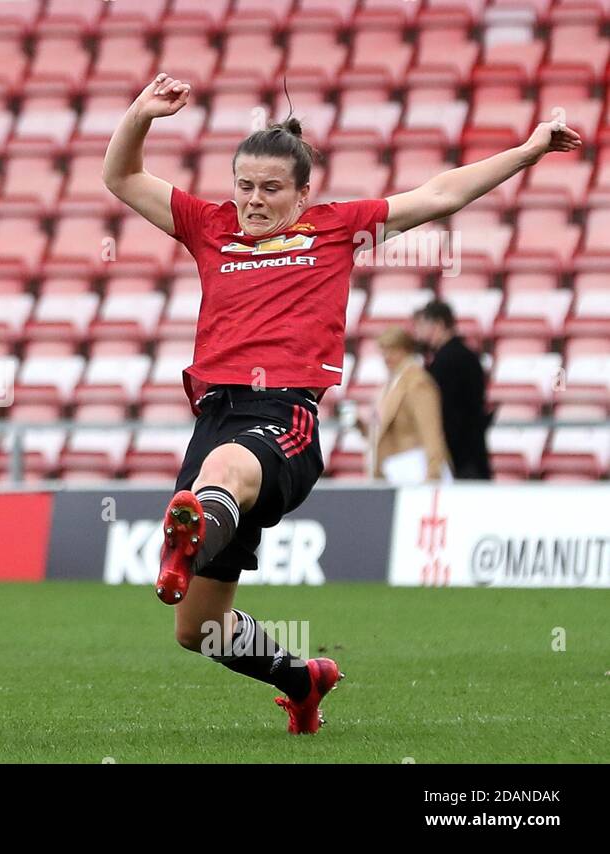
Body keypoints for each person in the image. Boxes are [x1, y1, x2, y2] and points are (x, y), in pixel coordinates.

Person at [104, 72, 579, 733]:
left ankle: (186, 537)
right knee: (199, 630)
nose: (255, 200)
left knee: (224, 474)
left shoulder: (337, 230)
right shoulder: (208, 227)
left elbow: (441, 195)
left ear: (305, 192)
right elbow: (122, 178)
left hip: (283, 418)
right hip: (213, 417)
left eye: (272, 189)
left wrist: (528, 150)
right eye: (245, 186)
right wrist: (141, 114)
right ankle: (301, 679)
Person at [413, 300, 494, 480]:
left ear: (439, 324)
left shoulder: (445, 362)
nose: (418, 333)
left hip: (458, 461)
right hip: (473, 455)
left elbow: (444, 414)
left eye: (422, 325)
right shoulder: (468, 356)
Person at [363, 327, 452, 484]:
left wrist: (433, 473)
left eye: (392, 350)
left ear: (406, 350)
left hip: (414, 470)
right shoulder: (392, 383)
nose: (386, 357)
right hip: (395, 471)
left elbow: (430, 431)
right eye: (383, 351)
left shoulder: (417, 383)